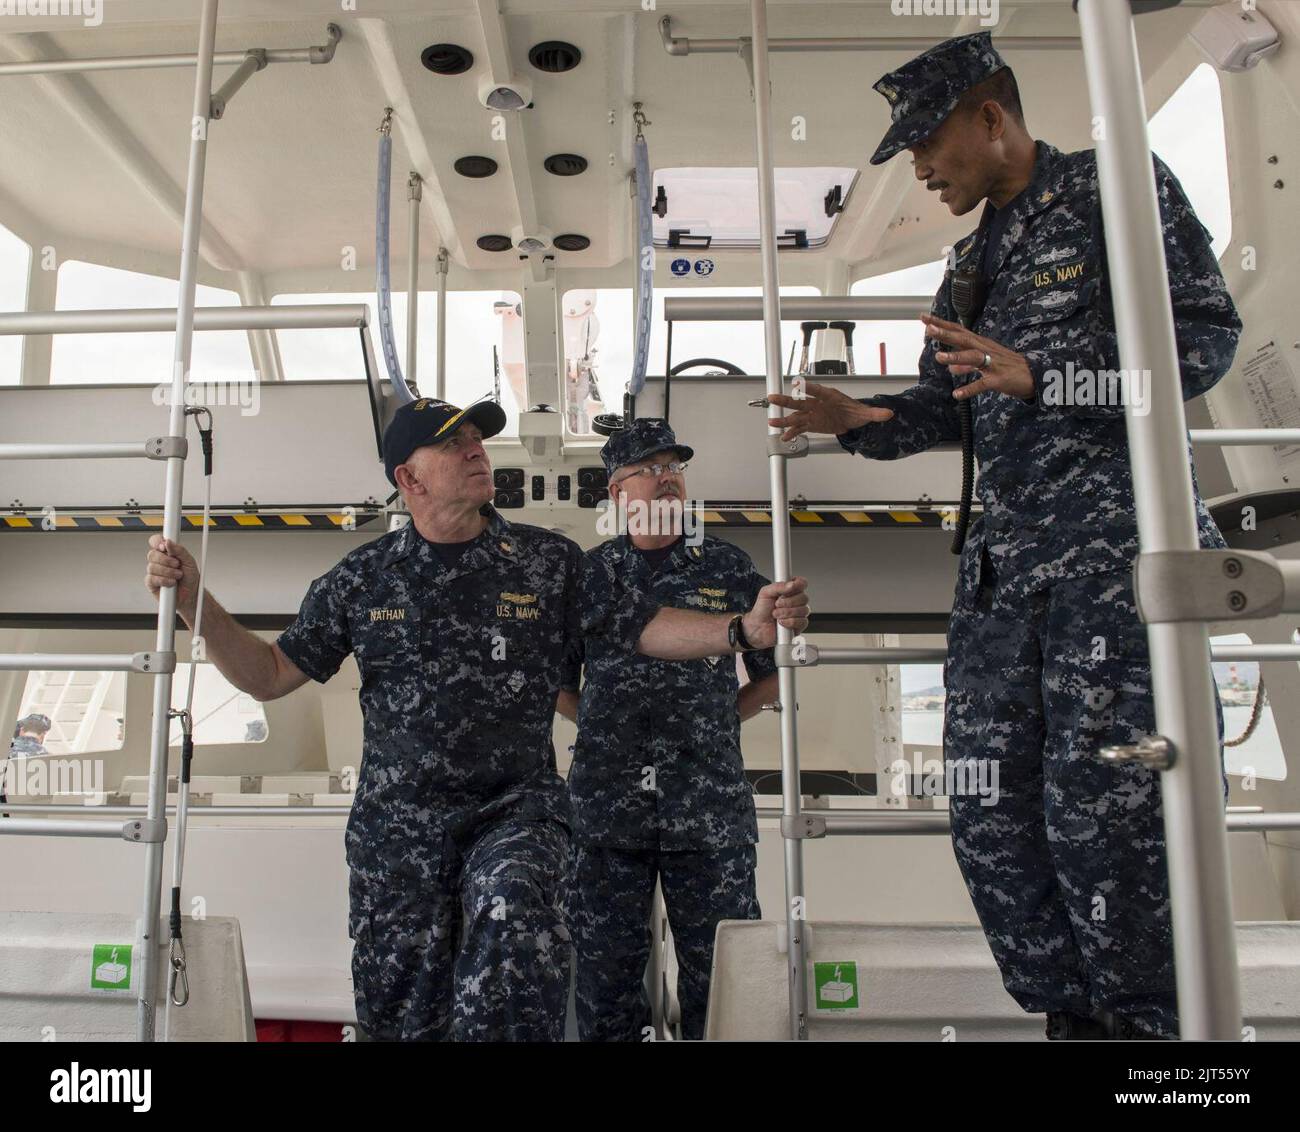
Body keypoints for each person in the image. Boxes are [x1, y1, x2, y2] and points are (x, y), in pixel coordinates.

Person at [769, 32, 1241, 1040]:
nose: (921, 170)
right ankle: (1070, 1020)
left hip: (1107, 577)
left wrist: (1045, 372)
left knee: (1112, 829)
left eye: (927, 144)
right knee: (992, 825)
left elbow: (1200, 344)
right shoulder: (973, 256)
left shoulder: (1117, 191)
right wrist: (858, 421)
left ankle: (1152, 1041)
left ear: (992, 117)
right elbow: (951, 405)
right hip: (999, 587)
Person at [145, 395, 808, 1042]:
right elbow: (267, 675)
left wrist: (741, 630)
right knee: (405, 1011)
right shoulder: (362, 578)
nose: (475, 451)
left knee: (514, 904)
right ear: (408, 478)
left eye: (478, 439)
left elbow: (645, 627)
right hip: (398, 830)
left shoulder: (548, 562)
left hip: (514, 811)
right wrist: (195, 604)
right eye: (453, 444)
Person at [557, 419, 779, 1041]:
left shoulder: (729, 566)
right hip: (606, 813)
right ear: (617, 491)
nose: (667, 480)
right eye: (650, 471)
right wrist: (604, 728)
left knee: (726, 978)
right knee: (606, 983)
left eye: (675, 468)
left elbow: (774, 671)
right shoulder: (587, 576)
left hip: (707, 810)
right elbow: (557, 680)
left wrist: (717, 722)